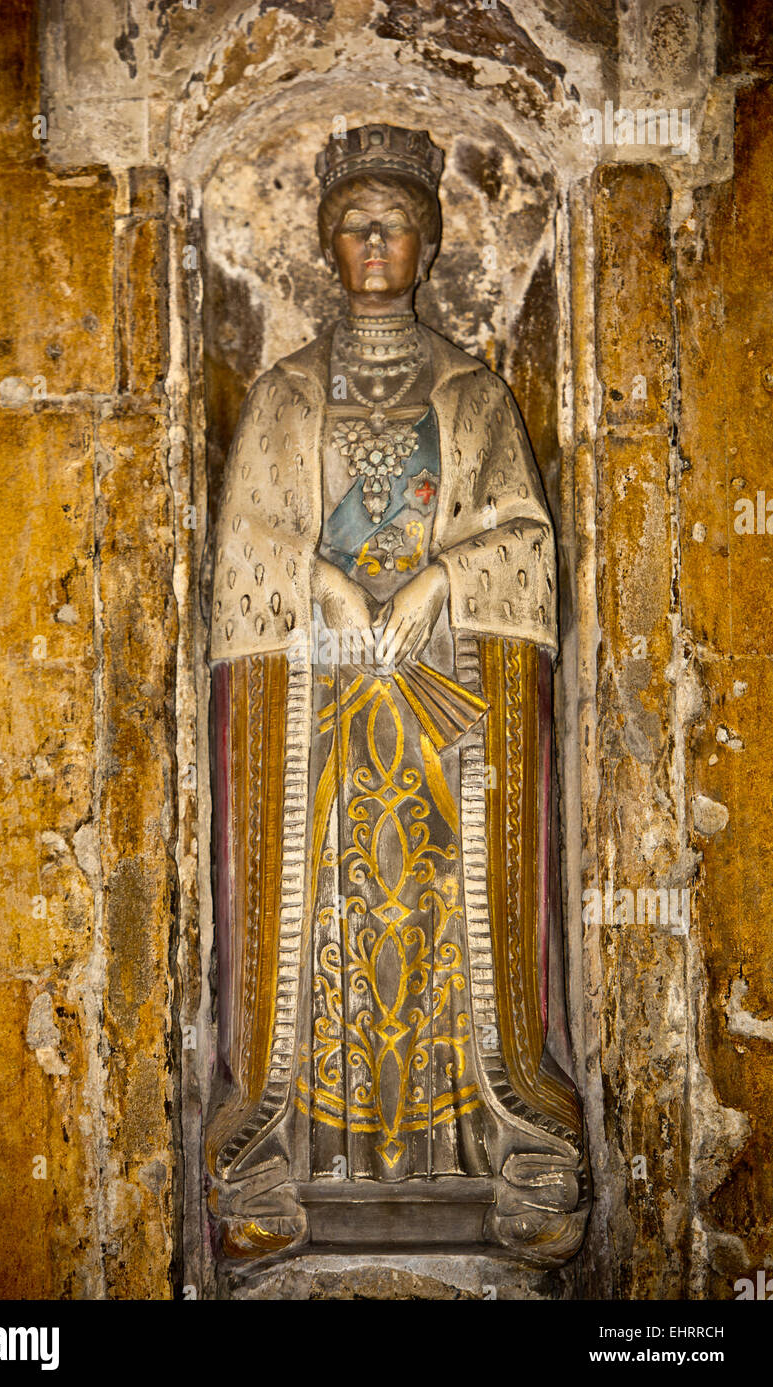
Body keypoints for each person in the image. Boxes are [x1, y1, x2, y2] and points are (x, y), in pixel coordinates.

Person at [206, 123, 589, 1262]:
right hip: (316, 711)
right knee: (311, 910)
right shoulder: (281, 394)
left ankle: (502, 1140)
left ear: (422, 247)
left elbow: (521, 538)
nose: (375, 243)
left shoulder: (472, 397)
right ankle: (282, 1144)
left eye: (395, 226)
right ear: (331, 246)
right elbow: (242, 548)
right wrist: (315, 578)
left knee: (449, 914)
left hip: (443, 708)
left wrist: (440, 580)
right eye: (355, 226)